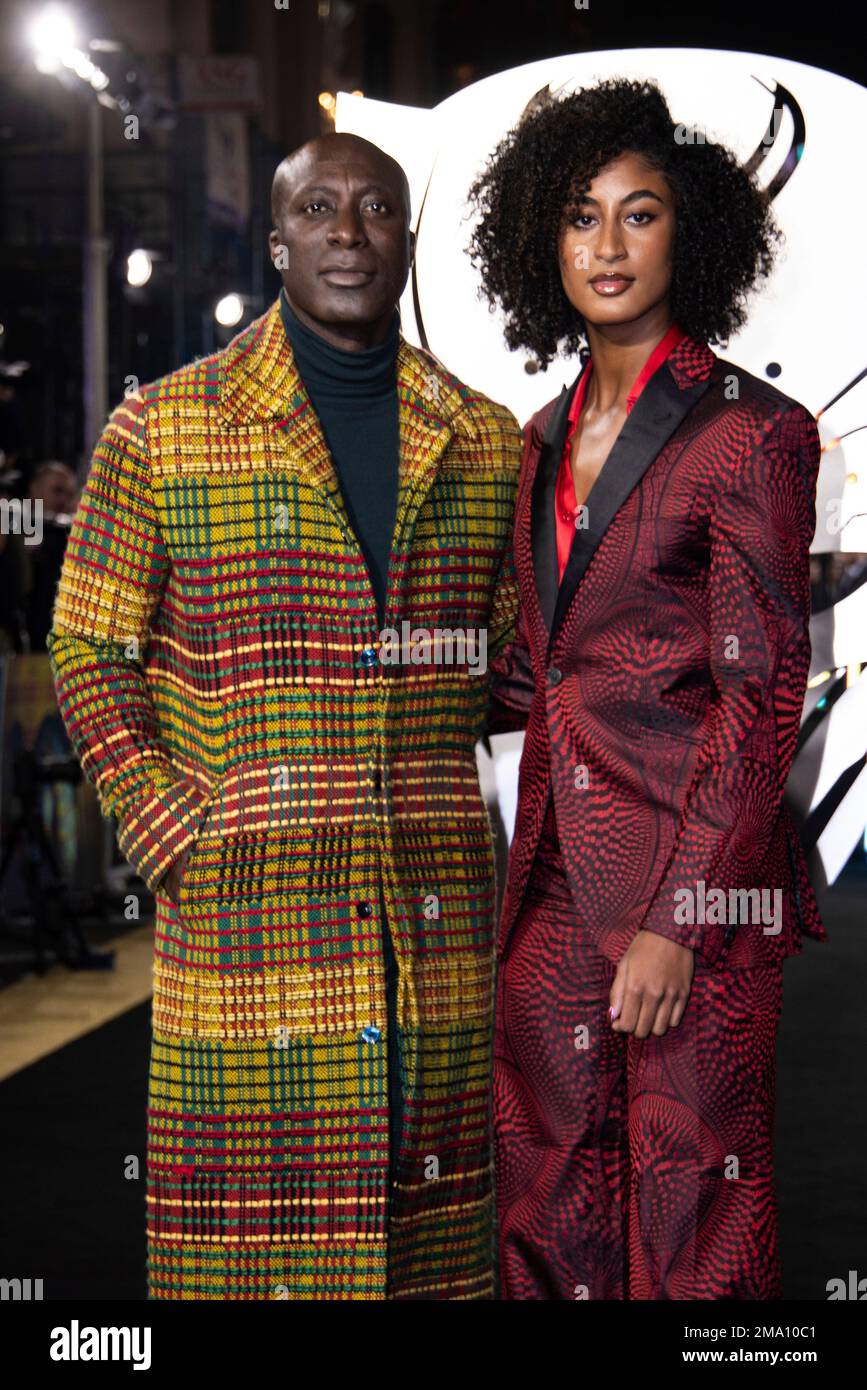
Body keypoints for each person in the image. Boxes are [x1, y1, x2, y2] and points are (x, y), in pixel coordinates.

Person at [47, 131, 523, 1300]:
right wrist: (175, 836)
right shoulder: (163, 426)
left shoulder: (485, 437)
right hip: (248, 928)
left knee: (427, 1259)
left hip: (432, 930)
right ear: (276, 241)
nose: (347, 233)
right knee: (249, 1264)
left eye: (373, 210)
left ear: (406, 242)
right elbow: (90, 646)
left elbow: (514, 661)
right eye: (319, 208)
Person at [468, 77, 826, 1299]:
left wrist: (679, 918)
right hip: (556, 877)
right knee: (547, 1196)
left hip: (698, 885)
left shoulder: (752, 430)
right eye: (580, 216)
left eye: (640, 214)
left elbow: (762, 690)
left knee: (693, 1216)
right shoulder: (536, 437)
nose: (607, 246)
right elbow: (537, 667)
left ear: (694, 233)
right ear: (541, 240)